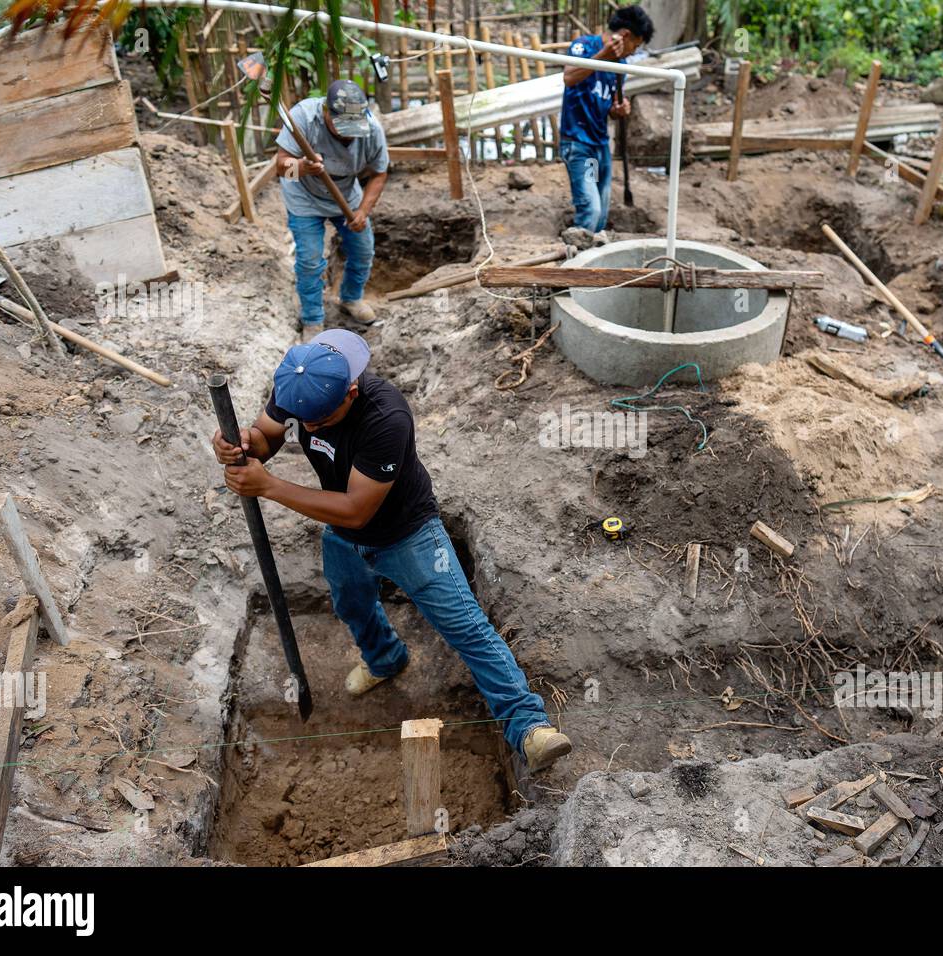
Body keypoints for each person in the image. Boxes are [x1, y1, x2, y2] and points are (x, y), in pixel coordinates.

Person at [211, 329, 572, 772]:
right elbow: (267, 437)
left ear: (351, 391)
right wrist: (242, 445)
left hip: (408, 534)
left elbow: (357, 509)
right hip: (343, 535)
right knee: (351, 605)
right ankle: (385, 658)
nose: (306, 428)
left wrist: (268, 486)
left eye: (318, 423)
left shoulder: (386, 416)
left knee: (467, 628)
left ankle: (529, 727)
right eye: (301, 419)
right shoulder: (301, 384)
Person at [276, 80, 388, 341]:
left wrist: (363, 210)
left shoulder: (371, 129)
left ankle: (350, 298)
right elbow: (281, 169)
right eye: (342, 128)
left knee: (363, 250)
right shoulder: (303, 118)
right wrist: (302, 167)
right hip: (303, 195)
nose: (349, 135)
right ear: (326, 113)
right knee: (310, 260)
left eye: (353, 130)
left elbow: (379, 174)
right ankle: (313, 319)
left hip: (346, 194)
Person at [559, 4, 655, 236]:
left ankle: (590, 261)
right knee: (590, 210)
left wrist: (618, 110)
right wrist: (604, 56)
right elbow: (569, 77)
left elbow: (611, 105)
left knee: (601, 214)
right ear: (625, 35)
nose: (633, 51)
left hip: (601, 145)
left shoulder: (620, 66)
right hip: (580, 143)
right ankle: (574, 262)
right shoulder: (584, 46)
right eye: (636, 45)